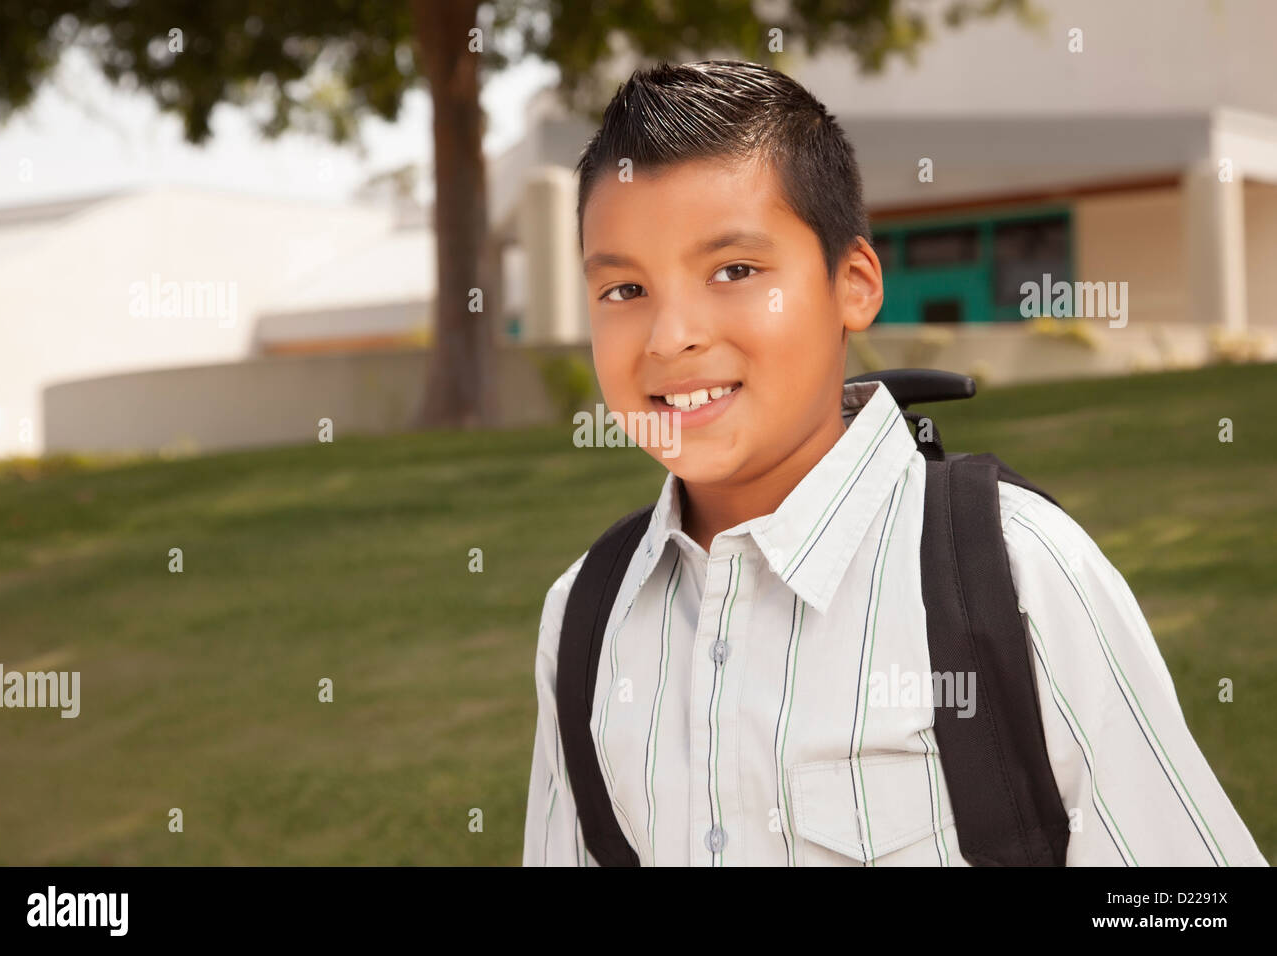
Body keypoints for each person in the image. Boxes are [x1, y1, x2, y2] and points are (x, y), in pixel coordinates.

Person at [521, 59, 1267, 866]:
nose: (671, 337)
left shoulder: (1015, 572)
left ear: (854, 283)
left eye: (734, 271)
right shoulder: (588, 618)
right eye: (624, 290)